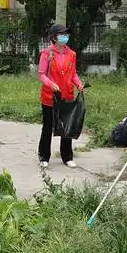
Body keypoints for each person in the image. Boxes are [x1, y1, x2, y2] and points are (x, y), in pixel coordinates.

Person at [38, 24, 85, 169]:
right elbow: (41, 75)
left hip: (67, 95)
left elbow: (73, 73)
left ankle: (67, 157)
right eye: (61, 34)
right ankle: (43, 157)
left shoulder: (72, 54)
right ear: (54, 37)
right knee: (48, 127)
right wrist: (50, 84)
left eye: (66, 34)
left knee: (67, 126)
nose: (65, 36)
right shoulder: (47, 53)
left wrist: (79, 84)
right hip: (50, 97)